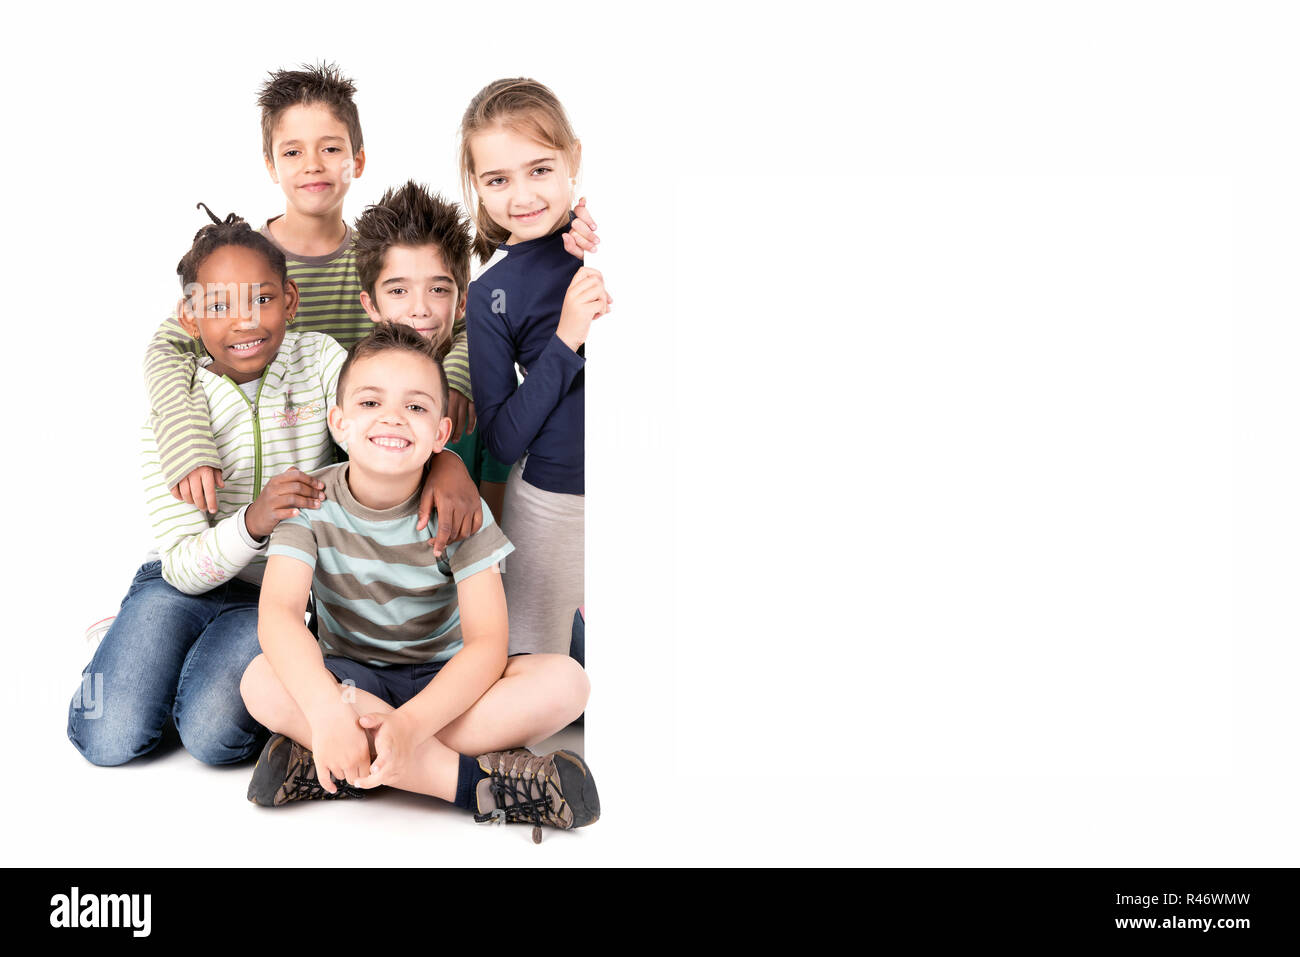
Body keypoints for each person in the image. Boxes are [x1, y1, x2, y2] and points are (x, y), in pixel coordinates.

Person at [241, 322, 597, 840]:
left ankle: (346, 763)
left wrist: (409, 727)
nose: (391, 417)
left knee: (568, 682)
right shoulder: (310, 503)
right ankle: (472, 784)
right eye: (368, 403)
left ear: (440, 433)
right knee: (259, 680)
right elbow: (277, 614)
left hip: (446, 686)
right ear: (337, 422)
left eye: (415, 407)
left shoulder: (460, 513)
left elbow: (487, 645)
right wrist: (326, 709)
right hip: (351, 684)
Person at [142, 62, 481, 550]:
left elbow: (458, 320)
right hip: (264, 461)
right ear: (270, 164)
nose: (313, 165)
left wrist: (454, 385)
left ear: (357, 161)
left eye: (331, 149)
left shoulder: (383, 262)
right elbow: (168, 346)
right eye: (293, 151)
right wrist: (185, 434)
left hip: (357, 455)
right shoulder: (247, 263)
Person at [68, 208, 346, 766]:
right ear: (190, 317)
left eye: (262, 300)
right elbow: (181, 565)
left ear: (289, 300)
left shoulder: (319, 362)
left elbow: (371, 413)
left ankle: (175, 671)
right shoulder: (172, 418)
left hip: (270, 594)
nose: (244, 322)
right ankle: (133, 645)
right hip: (180, 581)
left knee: (215, 739)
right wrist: (253, 521)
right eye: (219, 307)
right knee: (108, 736)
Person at [460, 78, 611, 655]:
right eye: (498, 180)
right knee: (532, 679)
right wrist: (566, 338)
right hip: (553, 502)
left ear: (573, 158)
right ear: (477, 185)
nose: (521, 195)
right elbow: (501, 438)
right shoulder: (492, 293)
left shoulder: (598, 237)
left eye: (540, 169)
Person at [353, 179, 509, 523]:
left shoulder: (486, 390)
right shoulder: (352, 388)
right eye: (398, 291)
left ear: (462, 302)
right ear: (371, 305)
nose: (419, 309)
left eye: (438, 289)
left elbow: (493, 522)